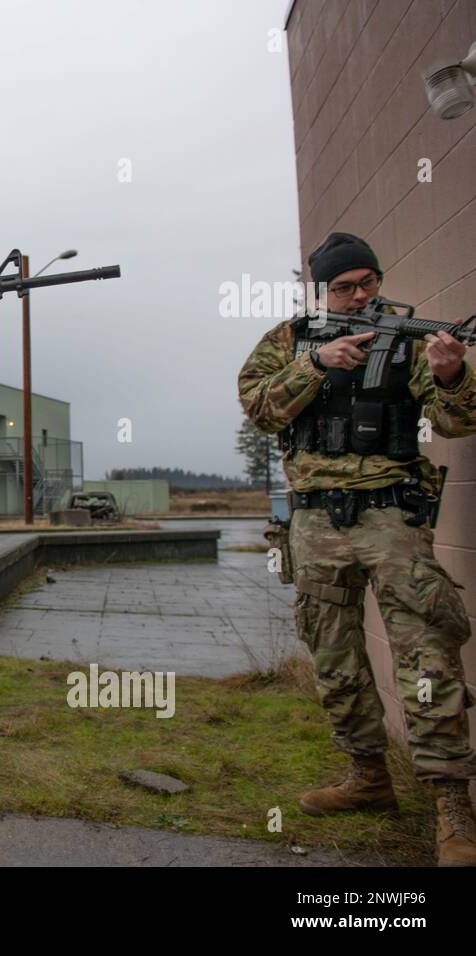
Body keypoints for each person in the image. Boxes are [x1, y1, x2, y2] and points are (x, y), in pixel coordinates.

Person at [238, 231, 476, 866]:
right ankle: (369, 778)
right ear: (321, 290)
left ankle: (451, 804)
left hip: (391, 515)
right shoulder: (287, 341)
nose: (359, 295)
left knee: (427, 656)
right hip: (315, 521)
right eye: (344, 287)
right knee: (333, 655)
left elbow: (456, 421)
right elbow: (258, 409)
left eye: (367, 282)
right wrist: (317, 366)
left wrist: (452, 377)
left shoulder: (411, 339)